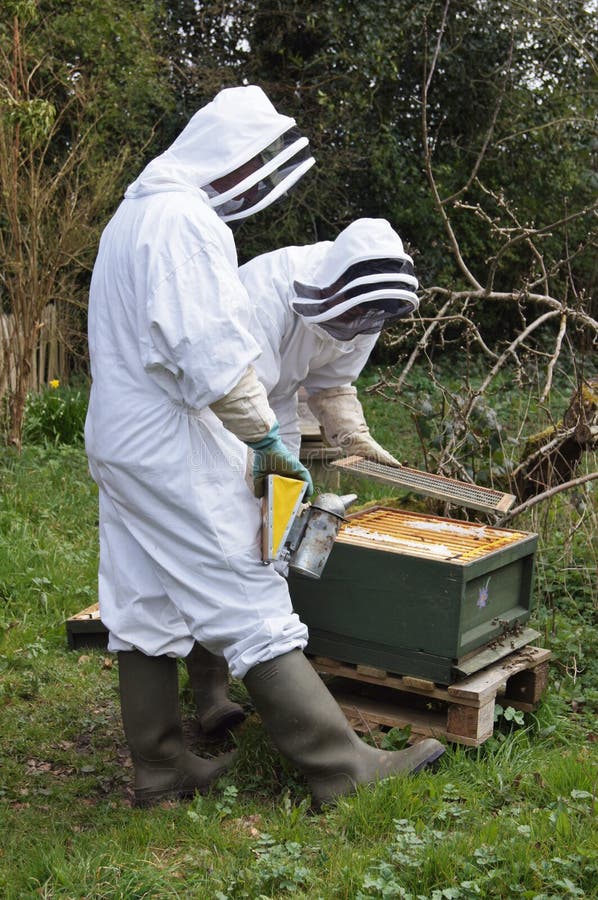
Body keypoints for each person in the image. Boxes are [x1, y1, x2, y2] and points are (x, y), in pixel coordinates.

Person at [85, 85, 444, 810]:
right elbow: (211, 355)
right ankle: (341, 771)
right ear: (227, 153)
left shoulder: (138, 214)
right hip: (171, 435)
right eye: (249, 161)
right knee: (248, 590)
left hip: (120, 436)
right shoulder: (182, 219)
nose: (250, 178)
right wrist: (269, 443)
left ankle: (161, 773)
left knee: (143, 598)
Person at [239, 217, 418, 461]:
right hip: (218, 408)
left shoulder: (369, 310)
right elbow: (238, 390)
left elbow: (332, 381)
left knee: (284, 488)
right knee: (228, 486)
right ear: (337, 282)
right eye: (352, 311)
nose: (355, 321)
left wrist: (351, 430)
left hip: (278, 403)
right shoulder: (265, 292)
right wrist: (265, 456)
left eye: (364, 314)